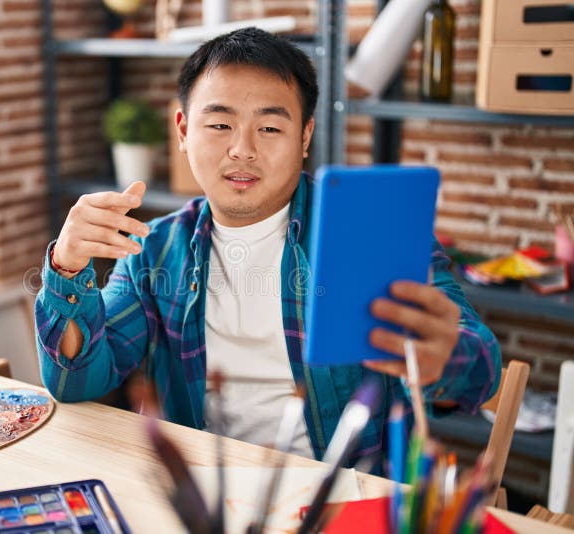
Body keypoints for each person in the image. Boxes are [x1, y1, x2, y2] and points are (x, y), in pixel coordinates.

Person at [34, 27, 500, 474]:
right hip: (206, 495)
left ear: (305, 137)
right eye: (219, 124)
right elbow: (77, 384)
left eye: (271, 129)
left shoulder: (373, 232)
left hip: (341, 493)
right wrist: (67, 268)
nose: (242, 150)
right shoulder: (154, 249)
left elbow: (479, 370)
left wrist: (444, 355)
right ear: (182, 129)